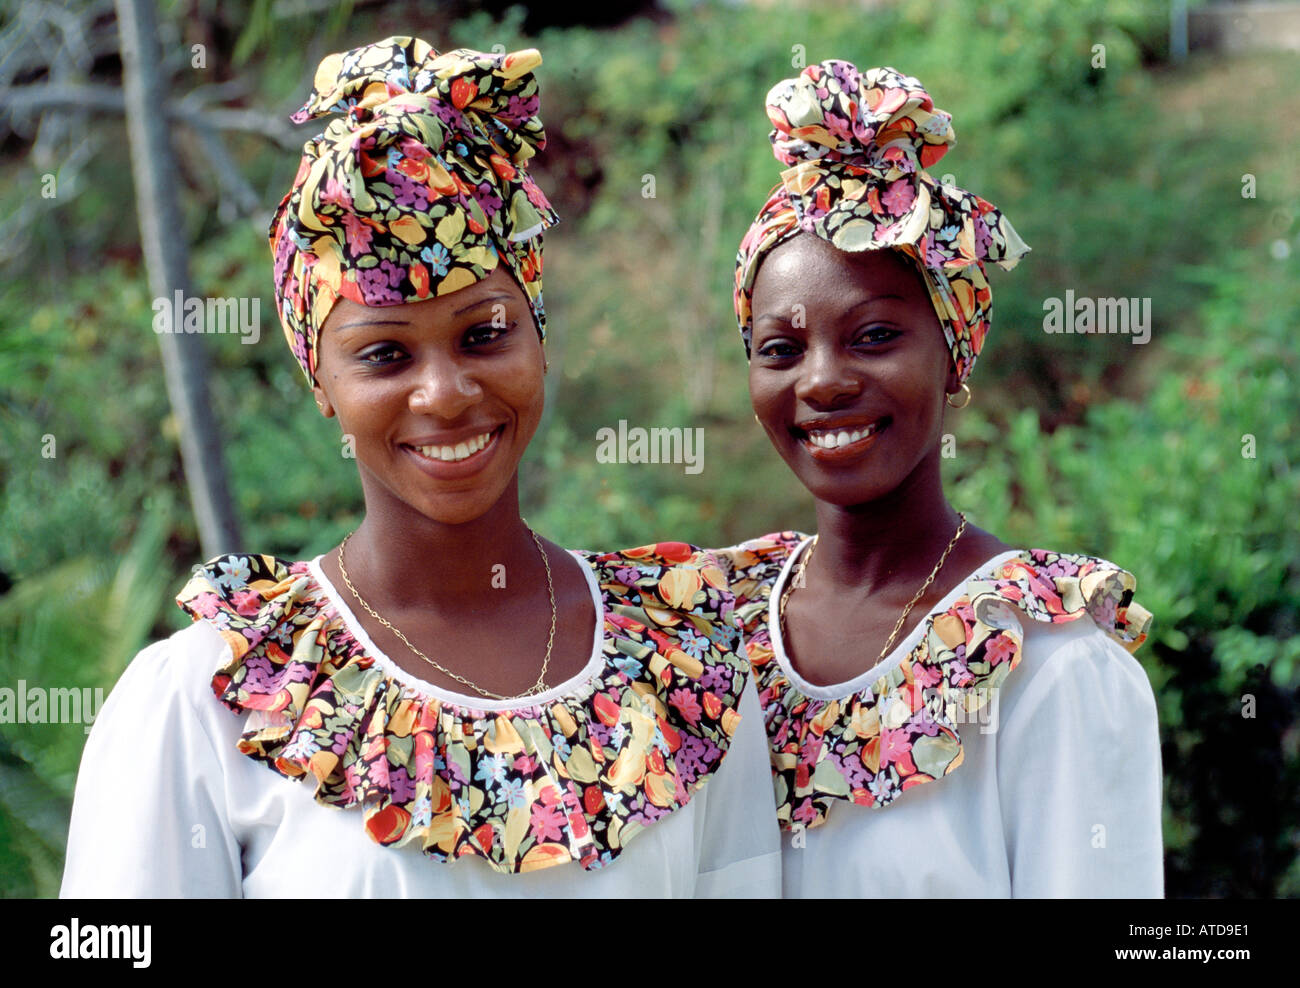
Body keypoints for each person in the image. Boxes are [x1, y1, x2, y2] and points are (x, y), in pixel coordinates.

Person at [60, 36, 779, 897]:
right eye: (384, 356)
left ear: (539, 341)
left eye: (484, 335)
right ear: (320, 380)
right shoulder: (210, 700)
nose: (444, 393)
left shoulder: (684, 666)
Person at [714, 61, 1163, 897]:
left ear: (955, 355)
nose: (820, 381)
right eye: (780, 348)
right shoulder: (715, 636)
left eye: (874, 336)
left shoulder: (1047, 666)